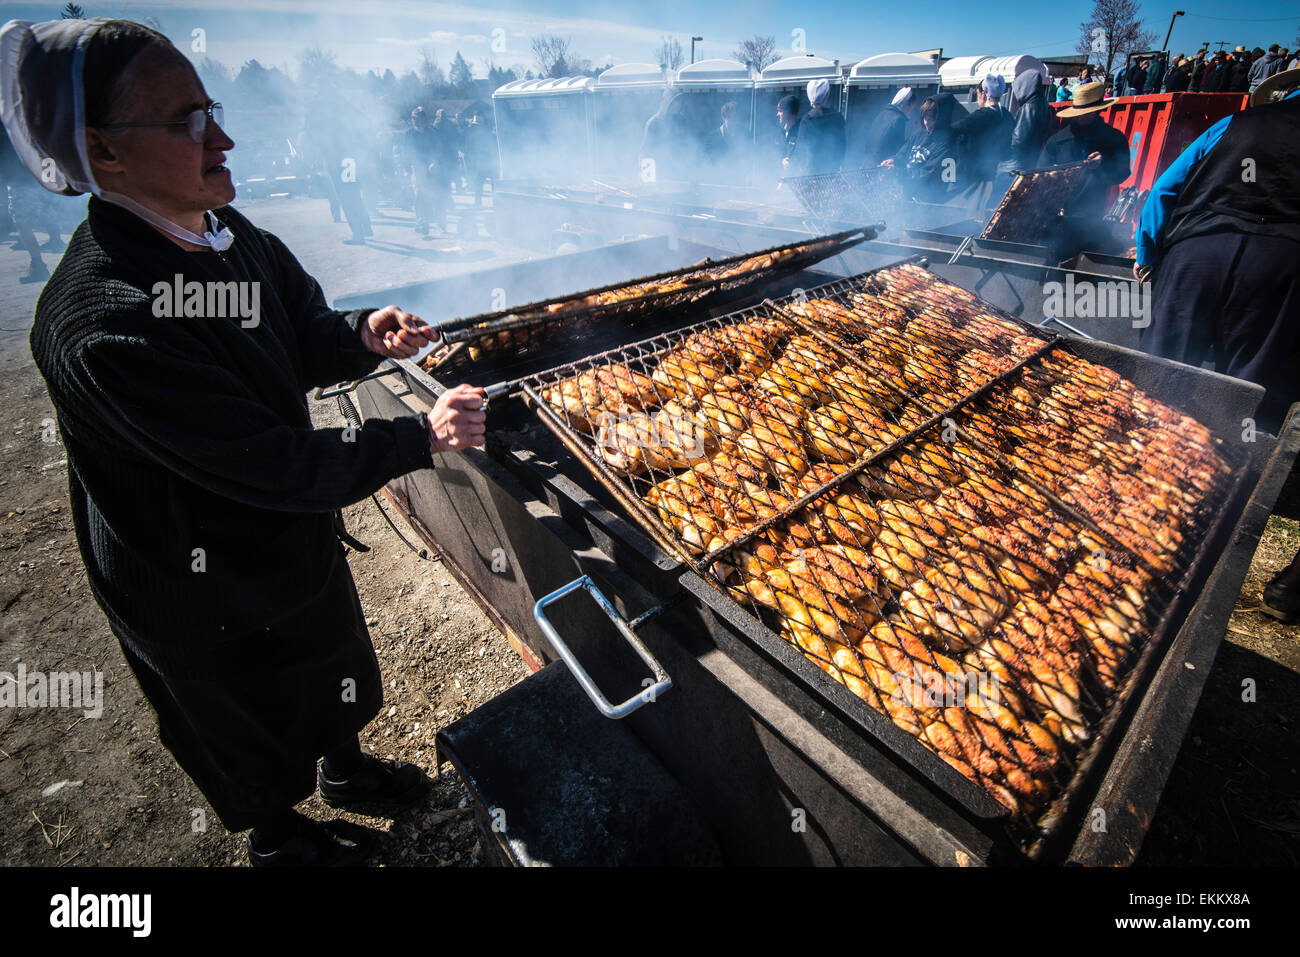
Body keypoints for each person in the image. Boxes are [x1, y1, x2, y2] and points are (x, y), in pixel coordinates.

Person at [1, 17, 487, 866]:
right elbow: (265, 462)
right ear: (102, 153)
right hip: (195, 570)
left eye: (211, 107)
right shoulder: (102, 324)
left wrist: (359, 336)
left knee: (325, 654)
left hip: (279, 531)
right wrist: (419, 436)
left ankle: (344, 772)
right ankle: (280, 837)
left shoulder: (221, 233)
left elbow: (298, 328)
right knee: (240, 705)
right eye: (187, 120)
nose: (222, 137)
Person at [1134, 68, 1300, 622]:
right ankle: (1211, 508)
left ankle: (1142, 482)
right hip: (1280, 271)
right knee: (1248, 393)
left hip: (1196, 256)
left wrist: (1150, 251)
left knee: (1162, 378)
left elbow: (1163, 189)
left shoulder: (1235, 123)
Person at [1039, 81, 1131, 257]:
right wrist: (1051, 199)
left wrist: (1103, 164)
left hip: (1091, 215)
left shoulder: (1113, 139)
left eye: (1086, 114)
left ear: (1097, 110)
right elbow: (1040, 174)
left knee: (1082, 261)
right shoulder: (1058, 140)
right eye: (1079, 114)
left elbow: (1122, 173)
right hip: (1058, 215)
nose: (1081, 117)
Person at [1, 122, 66, 282]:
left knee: (23, 224)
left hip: (20, 181)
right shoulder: (35, 116)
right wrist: (50, 182)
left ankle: (38, 266)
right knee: (48, 213)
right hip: (42, 178)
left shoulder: (7, 119)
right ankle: (56, 241)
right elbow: (48, 148)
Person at [882, 92, 961, 203]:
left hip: (927, 201)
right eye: (925, 118)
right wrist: (893, 160)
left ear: (941, 119)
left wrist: (898, 171)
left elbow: (927, 174)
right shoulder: (920, 133)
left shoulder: (946, 144)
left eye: (931, 119)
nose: (927, 123)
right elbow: (903, 153)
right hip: (908, 194)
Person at [953, 73, 1013, 211]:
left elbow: (953, 131)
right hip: (994, 175)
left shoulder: (980, 116)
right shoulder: (1007, 116)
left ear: (983, 93)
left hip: (973, 178)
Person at [1004, 69, 1053, 175]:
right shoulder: (1045, 105)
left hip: (1017, 163)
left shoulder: (1029, 106)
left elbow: (1019, 139)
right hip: (1031, 160)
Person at [794, 78, 845, 175]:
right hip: (831, 172)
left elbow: (800, 150)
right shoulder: (838, 117)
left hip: (810, 174)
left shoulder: (807, 119)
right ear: (827, 95)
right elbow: (842, 147)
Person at [863, 86, 917, 168]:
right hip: (881, 167)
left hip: (867, 164)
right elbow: (899, 149)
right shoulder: (899, 120)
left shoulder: (882, 113)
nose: (910, 111)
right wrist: (913, 134)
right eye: (912, 107)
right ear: (907, 104)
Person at [776, 93, 801, 177]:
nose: (778, 114)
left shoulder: (801, 132)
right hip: (778, 179)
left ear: (789, 113)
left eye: (780, 111)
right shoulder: (779, 132)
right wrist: (781, 161)